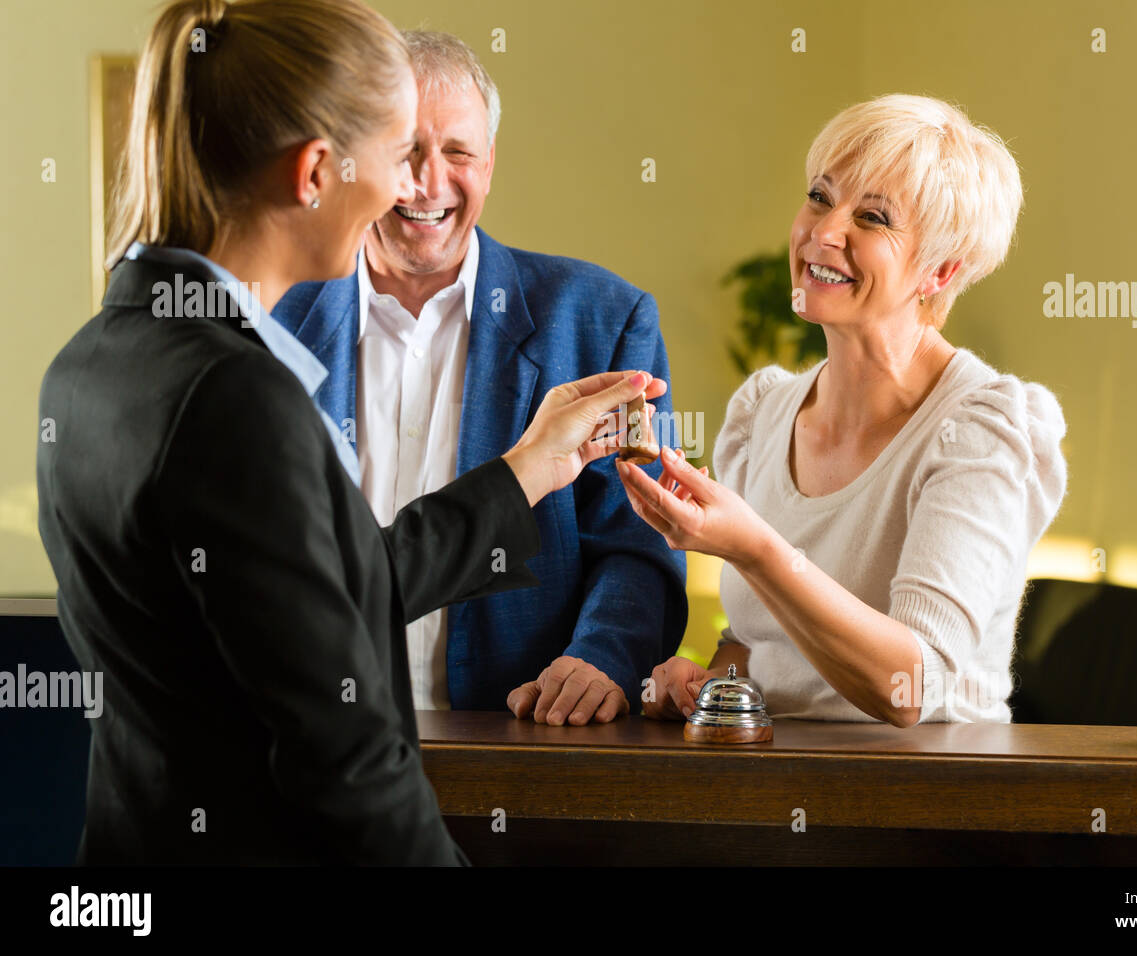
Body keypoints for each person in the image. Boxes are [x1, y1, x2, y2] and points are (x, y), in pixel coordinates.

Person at [35, 0, 663, 865]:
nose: (410, 187)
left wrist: (522, 473)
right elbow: (344, 757)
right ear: (316, 172)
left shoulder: (89, 359)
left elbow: (337, 584)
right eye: (393, 152)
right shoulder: (237, 393)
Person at [271, 31, 686, 726]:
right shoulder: (272, 318)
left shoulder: (602, 320)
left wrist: (604, 656)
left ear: (489, 164)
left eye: (457, 152)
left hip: (521, 748)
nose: (428, 182)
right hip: (306, 752)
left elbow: (639, 545)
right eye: (405, 151)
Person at [620, 94, 1068, 727]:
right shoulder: (764, 413)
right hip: (775, 790)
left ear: (939, 271)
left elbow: (910, 688)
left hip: (923, 802)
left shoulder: (979, 430)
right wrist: (708, 681)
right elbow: (764, 649)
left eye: (874, 218)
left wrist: (755, 549)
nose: (824, 234)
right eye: (820, 198)